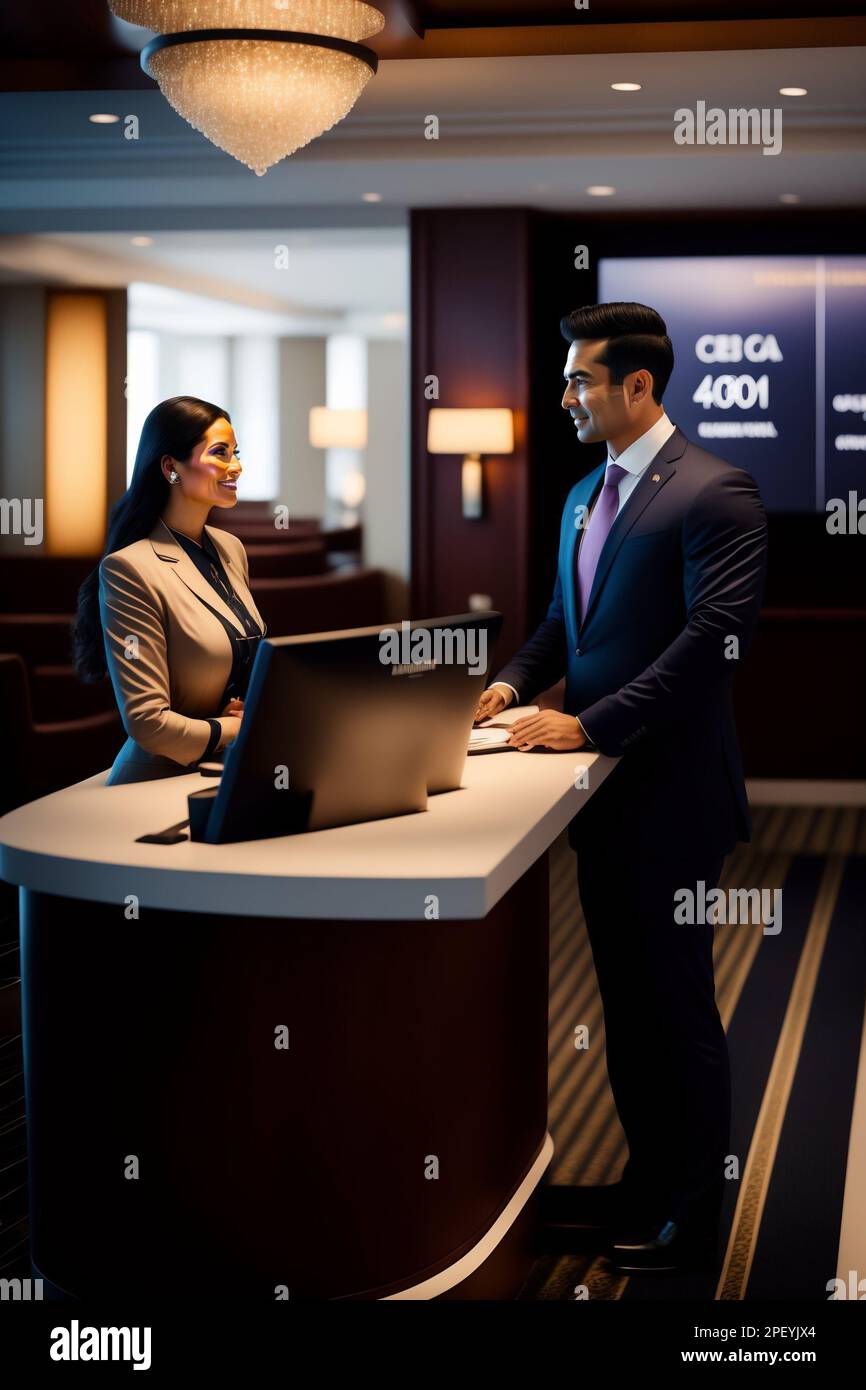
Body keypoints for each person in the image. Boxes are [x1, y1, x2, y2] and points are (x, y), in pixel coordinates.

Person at [475, 302, 768, 1273]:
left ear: (635, 386)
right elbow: (567, 622)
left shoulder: (715, 491)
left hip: (672, 798)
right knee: (627, 1008)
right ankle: (645, 1178)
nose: (562, 395)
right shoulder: (578, 495)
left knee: (674, 1007)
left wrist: (587, 723)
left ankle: (691, 1205)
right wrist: (513, 682)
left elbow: (707, 646)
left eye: (577, 381)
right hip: (601, 804)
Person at [73, 396, 267, 786]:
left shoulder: (231, 548)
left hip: (228, 773)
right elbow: (147, 722)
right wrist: (230, 729)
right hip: (158, 781)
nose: (237, 466)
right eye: (220, 453)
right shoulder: (129, 569)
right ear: (170, 467)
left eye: (236, 452)